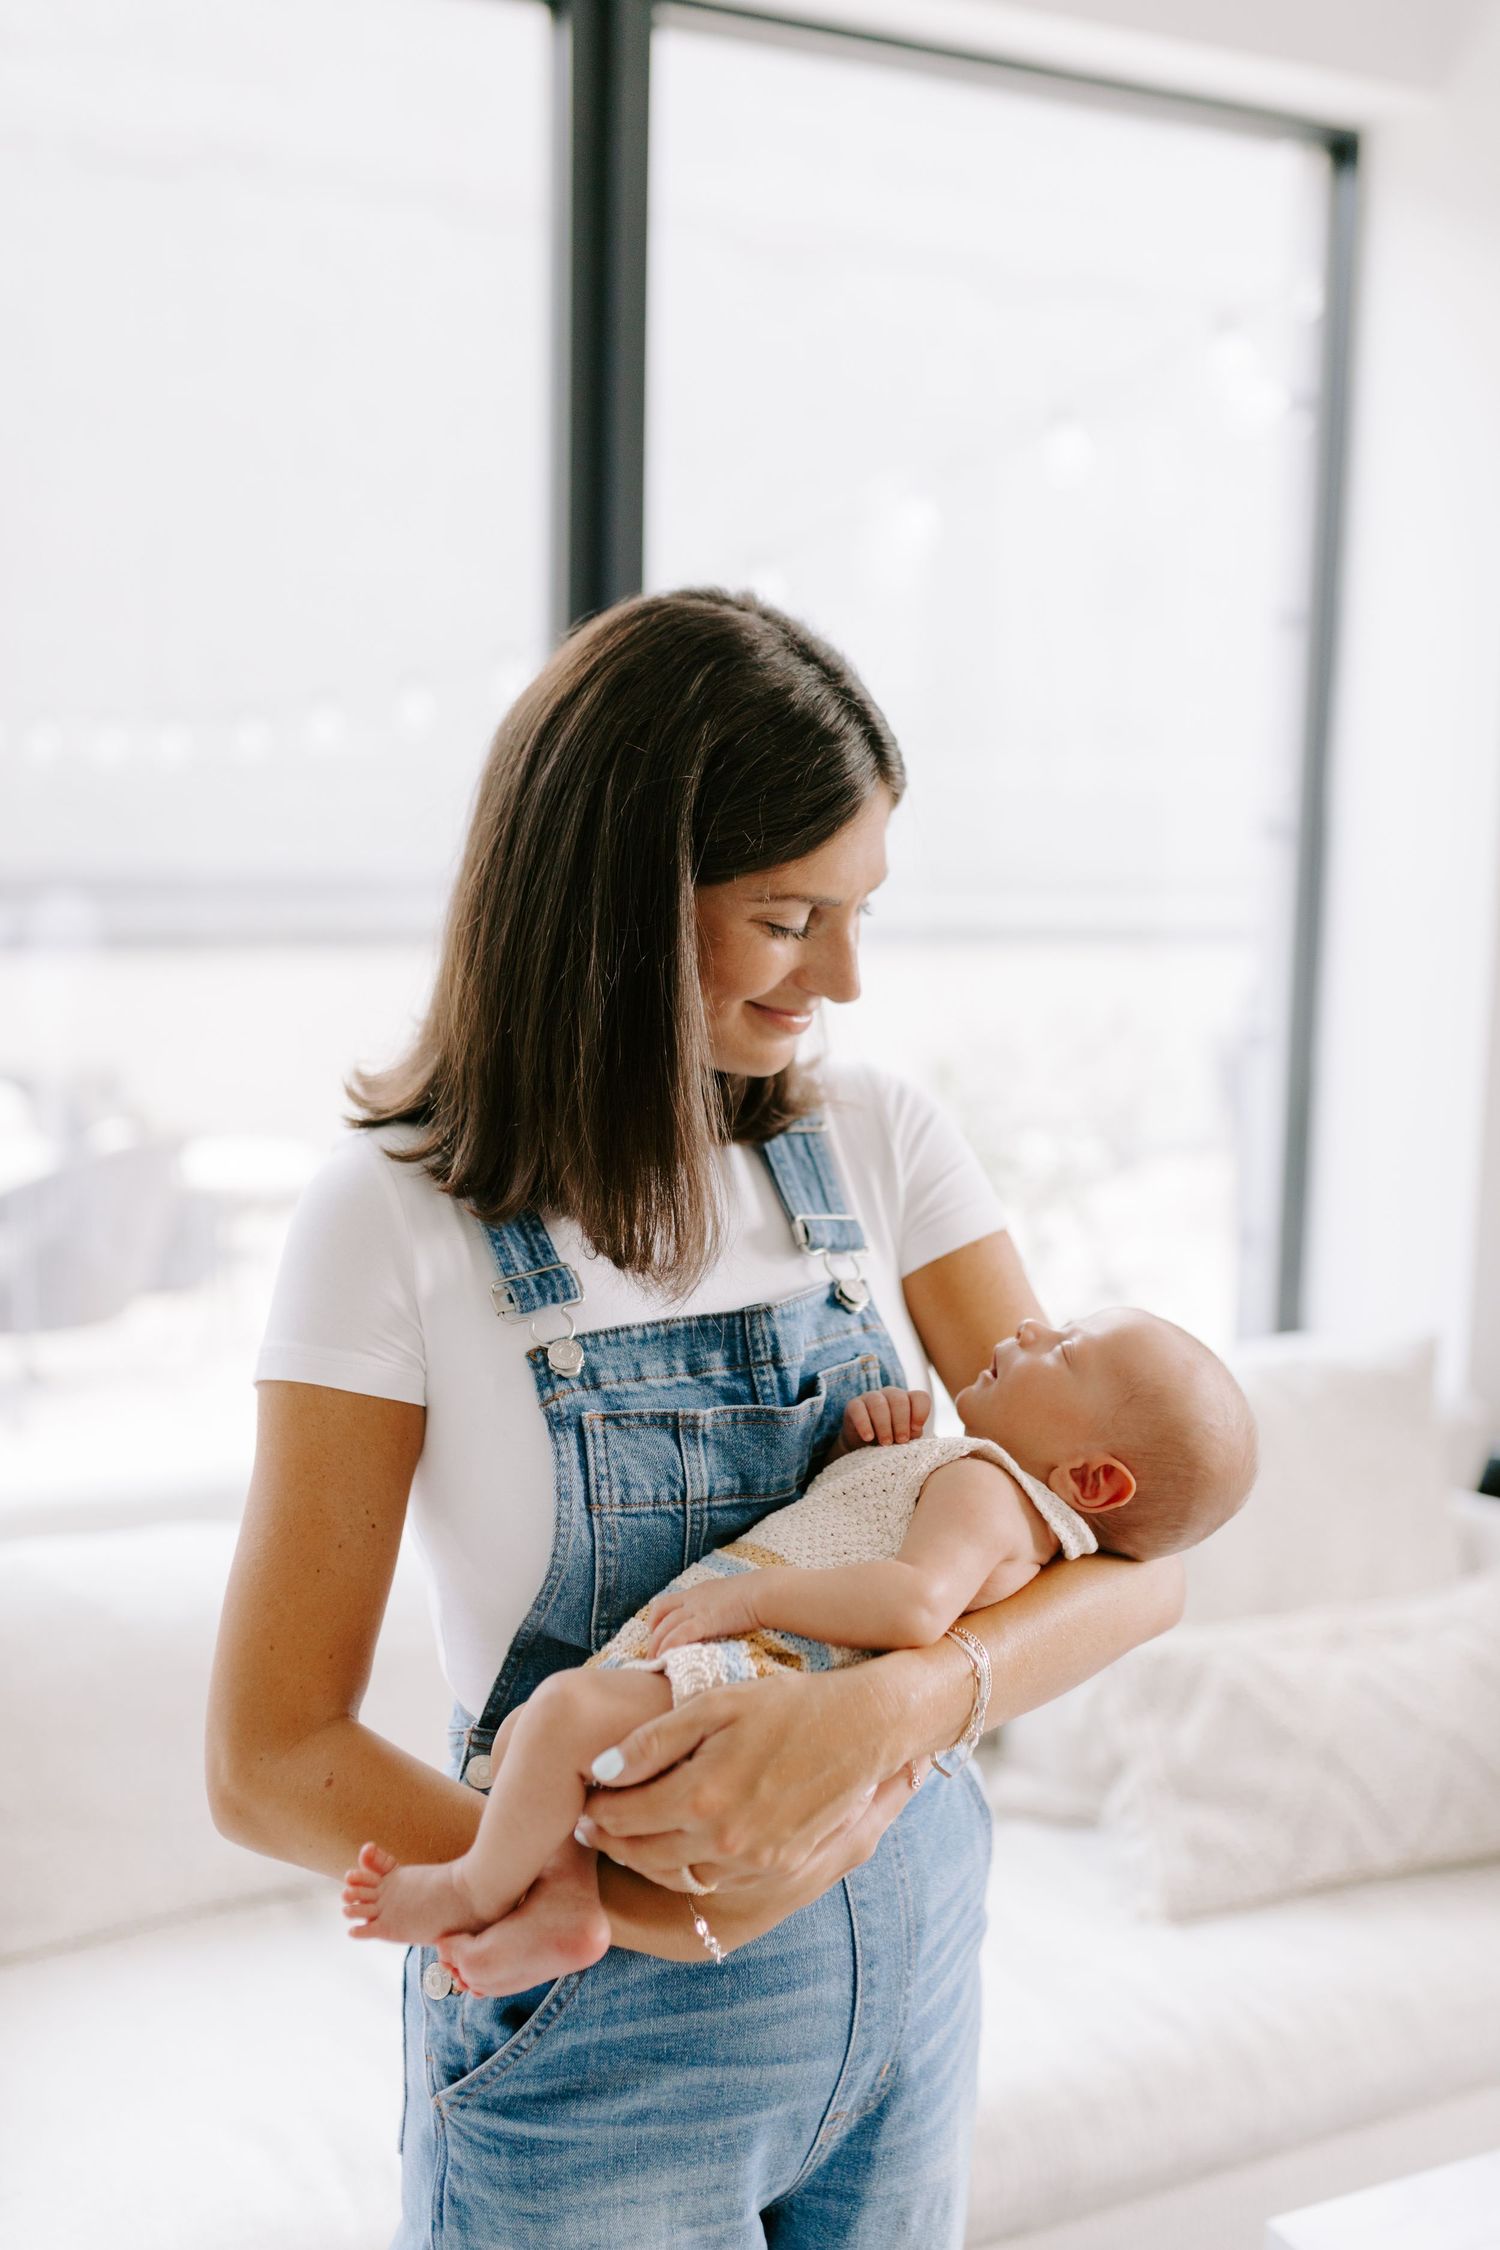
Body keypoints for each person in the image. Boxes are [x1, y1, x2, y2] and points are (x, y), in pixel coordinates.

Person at [206, 586, 1187, 2250]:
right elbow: (268, 1758)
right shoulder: (389, 1221)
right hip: (601, 2049)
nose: (847, 977)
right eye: (790, 917)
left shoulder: (879, 1139)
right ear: (615, 904)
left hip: (910, 1968)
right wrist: (622, 1895)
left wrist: (893, 1712)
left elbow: (1138, 1557)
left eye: (860, 911)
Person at [338, 1311, 1254, 1963]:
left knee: (555, 1720)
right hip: (765, 1685)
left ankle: (471, 1889)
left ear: (1093, 1481)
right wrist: (871, 1454)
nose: (1030, 1327)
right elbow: (865, 1533)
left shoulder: (986, 1486)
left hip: (763, 1669)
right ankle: (568, 1901)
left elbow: (912, 1605)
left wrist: (750, 1600)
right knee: (551, 1749)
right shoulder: (987, 1492)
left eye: (1066, 1351)